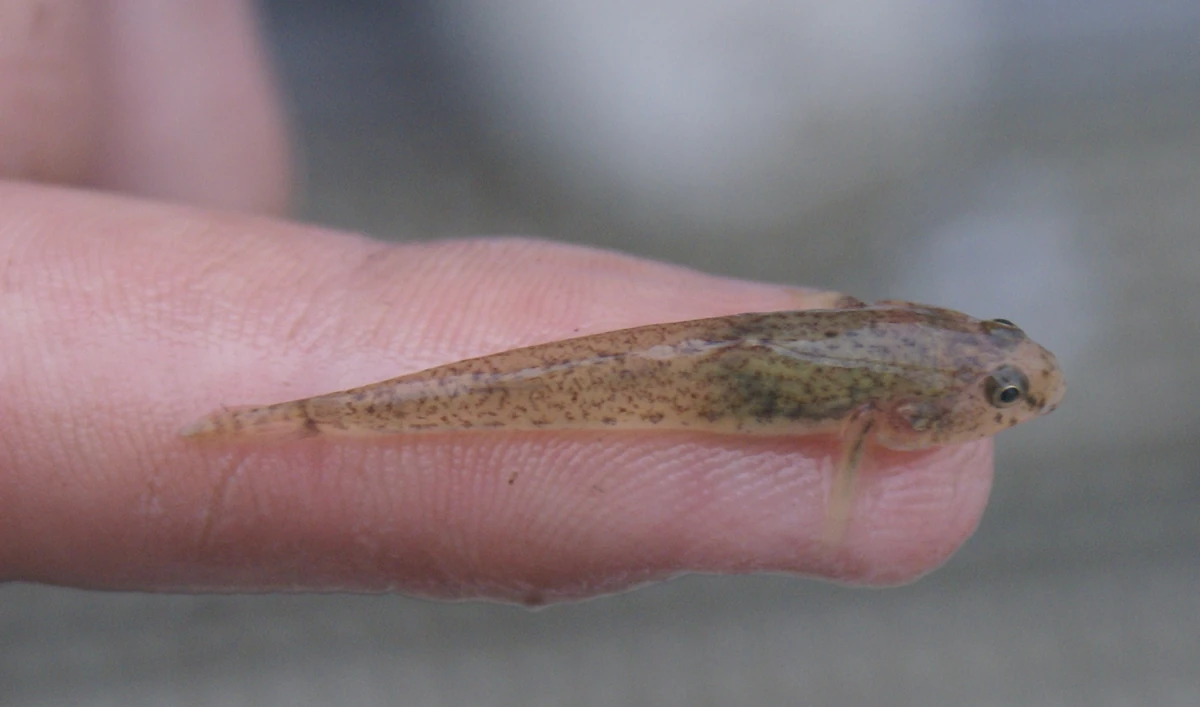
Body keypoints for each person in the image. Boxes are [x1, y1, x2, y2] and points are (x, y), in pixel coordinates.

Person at [0, 0, 992, 601]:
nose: (997, 385)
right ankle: (272, 422)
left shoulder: (903, 352)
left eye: (996, 377)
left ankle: (276, 421)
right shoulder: (898, 381)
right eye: (994, 380)